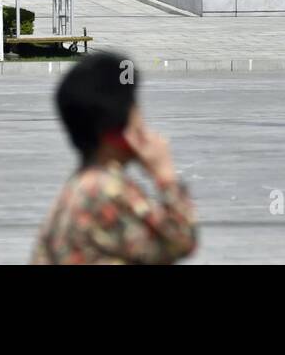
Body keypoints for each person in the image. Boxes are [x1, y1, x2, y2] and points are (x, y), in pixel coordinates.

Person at [31, 52, 197, 265]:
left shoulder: (79, 188)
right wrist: (165, 175)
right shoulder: (106, 192)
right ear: (118, 126)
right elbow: (180, 242)